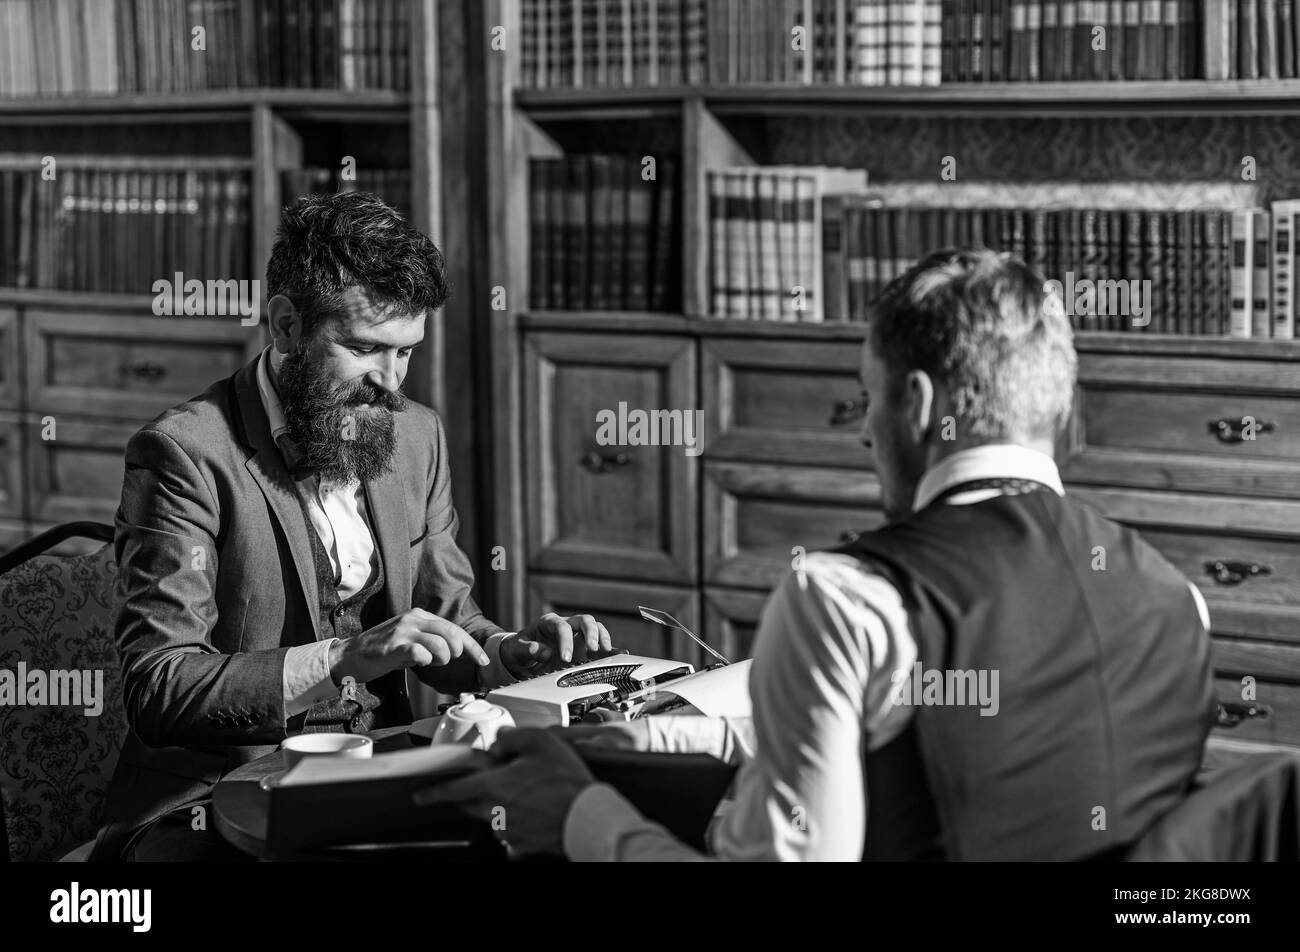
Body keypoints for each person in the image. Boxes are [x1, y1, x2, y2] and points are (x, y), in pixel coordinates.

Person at [421, 248, 1218, 861]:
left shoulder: (844, 598)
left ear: (919, 404)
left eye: (869, 397)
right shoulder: (1178, 598)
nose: (867, 432)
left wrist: (577, 816)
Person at [91, 192, 612, 861]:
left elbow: (446, 616)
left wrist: (509, 655)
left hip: (380, 779)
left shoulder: (417, 435)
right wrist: (343, 660)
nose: (391, 383)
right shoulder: (185, 455)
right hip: (212, 805)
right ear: (284, 326)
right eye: (365, 348)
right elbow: (159, 688)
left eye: (407, 351)